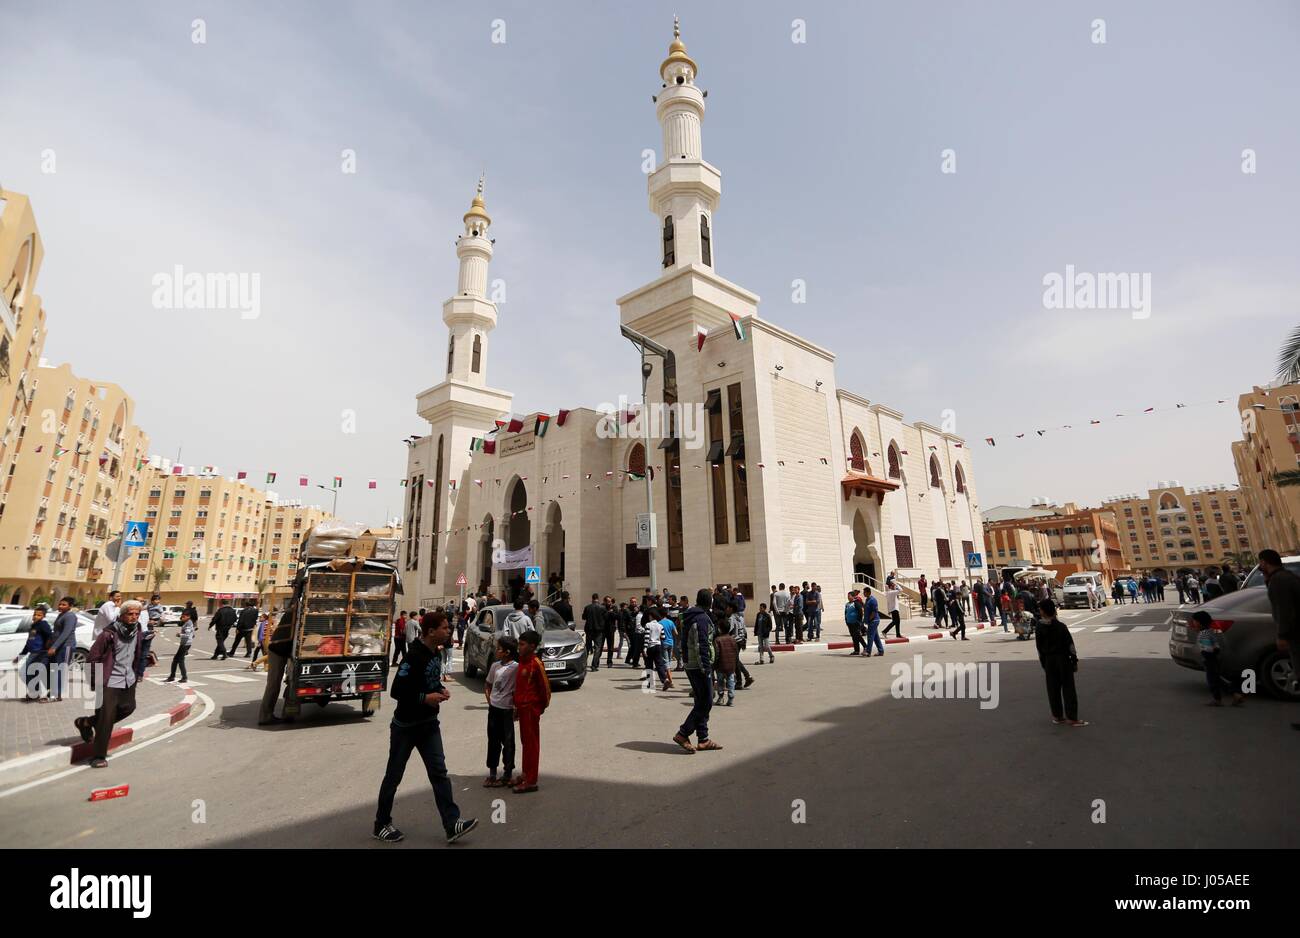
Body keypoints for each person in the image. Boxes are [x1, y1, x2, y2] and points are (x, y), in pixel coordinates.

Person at [372, 611, 478, 844]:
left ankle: (452, 824)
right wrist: (424, 698)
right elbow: (397, 691)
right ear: (431, 631)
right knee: (394, 775)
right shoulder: (414, 656)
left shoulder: (435, 654)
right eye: (444, 628)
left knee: (439, 773)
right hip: (406, 727)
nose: (448, 631)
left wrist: (439, 689)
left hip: (429, 724)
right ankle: (381, 823)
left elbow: (429, 680)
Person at [77, 600, 150, 767]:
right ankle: (98, 757)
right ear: (121, 615)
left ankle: (87, 722)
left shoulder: (137, 631)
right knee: (107, 717)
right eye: (130, 614)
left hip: (128, 679)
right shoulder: (108, 634)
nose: (134, 617)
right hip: (109, 681)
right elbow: (92, 658)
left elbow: (137, 653)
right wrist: (95, 681)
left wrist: (138, 672)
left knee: (128, 708)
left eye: (137, 614)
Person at [673, 589, 721, 752]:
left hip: (690, 664)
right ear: (710, 602)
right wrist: (706, 669)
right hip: (699, 666)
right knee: (706, 702)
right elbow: (702, 645)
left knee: (701, 701)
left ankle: (703, 739)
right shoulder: (701, 619)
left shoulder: (690, 616)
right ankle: (683, 733)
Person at [1259, 549, 1300, 728]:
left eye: (1260, 563)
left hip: (1296, 633)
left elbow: (1285, 610)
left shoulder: (1279, 581)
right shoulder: (1285, 577)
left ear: (1266, 562)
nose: (1260, 566)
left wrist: (1282, 635)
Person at [1034, 599, 1085, 726]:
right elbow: (1070, 645)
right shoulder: (1061, 626)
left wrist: (1043, 663)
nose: (1040, 611)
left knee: (1053, 688)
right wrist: (1074, 661)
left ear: (1045, 611)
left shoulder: (1039, 627)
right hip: (1063, 660)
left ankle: (1057, 716)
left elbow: (1039, 647)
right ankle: (1072, 717)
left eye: (1041, 609)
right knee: (1068, 688)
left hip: (1049, 661)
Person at [512, 628, 551, 793]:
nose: (519, 647)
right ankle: (525, 773)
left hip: (531, 709)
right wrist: (516, 706)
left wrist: (539, 708)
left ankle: (531, 780)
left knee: (531, 744)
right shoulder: (522, 661)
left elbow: (545, 690)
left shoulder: (536, 663)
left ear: (532, 646)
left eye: (522, 644)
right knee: (525, 743)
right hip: (522, 708)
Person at [483, 636, 518, 787]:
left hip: (507, 710)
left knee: (508, 742)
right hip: (494, 709)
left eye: (499, 649)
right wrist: (490, 700)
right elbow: (487, 684)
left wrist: (516, 707)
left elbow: (519, 689)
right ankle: (492, 773)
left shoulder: (516, 668)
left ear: (507, 652)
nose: (496, 651)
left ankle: (508, 773)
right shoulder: (495, 666)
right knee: (493, 741)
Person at [1192, 610, 1244, 707]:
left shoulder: (1203, 634)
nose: (1193, 623)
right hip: (1214, 659)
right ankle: (1235, 695)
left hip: (1209, 660)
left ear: (1199, 622)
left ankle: (1219, 699)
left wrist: (1206, 658)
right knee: (1218, 680)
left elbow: (1207, 649)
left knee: (1213, 681)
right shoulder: (1210, 631)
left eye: (1194, 621)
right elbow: (1215, 646)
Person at [258, 611, 295, 725]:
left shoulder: (296, 611)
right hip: (278, 650)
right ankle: (265, 716)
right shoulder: (296, 613)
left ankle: (288, 714)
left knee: (293, 682)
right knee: (273, 684)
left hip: (289, 651)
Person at [13, 605, 53, 701]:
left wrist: (46, 650)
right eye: (35, 614)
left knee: (27, 672)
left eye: (39, 615)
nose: (35, 616)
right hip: (33, 653)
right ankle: (35, 693)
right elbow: (29, 642)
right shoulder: (33, 626)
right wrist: (20, 656)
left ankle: (36, 693)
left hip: (40, 653)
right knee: (28, 673)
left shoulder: (43, 625)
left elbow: (50, 637)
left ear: (43, 616)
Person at [46, 597, 79, 701]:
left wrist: (54, 647)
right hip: (59, 646)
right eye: (60, 604)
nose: (60, 606)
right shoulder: (62, 614)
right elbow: (56, 632)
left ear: (70, 606)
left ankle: (56, 695)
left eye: (64, 605)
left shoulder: (70, 616)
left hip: (66, 646)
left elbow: (66, 633)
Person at [164, 604, 195, 683]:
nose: (182, 617)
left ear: (188, 616)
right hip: (185, 643)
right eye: (182, 616)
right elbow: (192, 634)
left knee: (179, 660)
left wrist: (179, 635)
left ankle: (183, 677)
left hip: (185, 644)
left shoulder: (188, 623)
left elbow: (187, 635)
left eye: (184, 616)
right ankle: (173, 676)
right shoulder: (189, 622)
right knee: (176, 660)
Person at [712, 619, 739, 706]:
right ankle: (730, 699)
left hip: (720, 665)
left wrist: (714, 665)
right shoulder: (733, 639)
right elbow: (736, 653)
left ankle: (720, 697)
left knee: (720, 681)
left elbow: (716, 654)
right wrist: (735, 664)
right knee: (731, 681)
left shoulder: (717, 640)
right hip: (731, 665)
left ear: (720, 629)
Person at [729, 603, 753, 688]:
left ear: (731, 609)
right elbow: (745, 630)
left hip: (735, 641)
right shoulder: (741, 618)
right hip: (741, 641)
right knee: (736, 661)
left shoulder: (731, 618)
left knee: (735, 661)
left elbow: (730, 630)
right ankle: (745, 678)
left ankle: (742, 680)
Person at [582, 593, 605, 668]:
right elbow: (605, 618)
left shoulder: (587, 607)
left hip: (589, 630)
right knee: (597, 648)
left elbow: (584, 617)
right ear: (598, 598)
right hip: (598, 630)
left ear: (592, 598)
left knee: (587, 648)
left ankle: (583, 664)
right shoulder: (602, 608)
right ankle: (594, 665)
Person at [862, 586, 884, 656]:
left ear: (868, 592)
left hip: (874, 621)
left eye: (864, 592)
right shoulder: (867, 600)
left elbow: (874, 612)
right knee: (875, 637)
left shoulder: (873, 600)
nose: (863, 593)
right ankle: (881, 651)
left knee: (870, 636)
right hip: (870, 621)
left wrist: (869, 620)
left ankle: (868, 651)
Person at [844, 590, 866, 656]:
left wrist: (859, 621)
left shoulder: (856, 603)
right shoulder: (847, 604)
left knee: (858, 635)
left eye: (849, 596)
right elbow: (846, 613)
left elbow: (860, 612)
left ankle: (865, 646)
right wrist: (846, 621)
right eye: (848, 596)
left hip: (856, 623)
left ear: (853, 596)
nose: (848, 597)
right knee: (854, 636)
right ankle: (856, 650)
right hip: (849, 623)